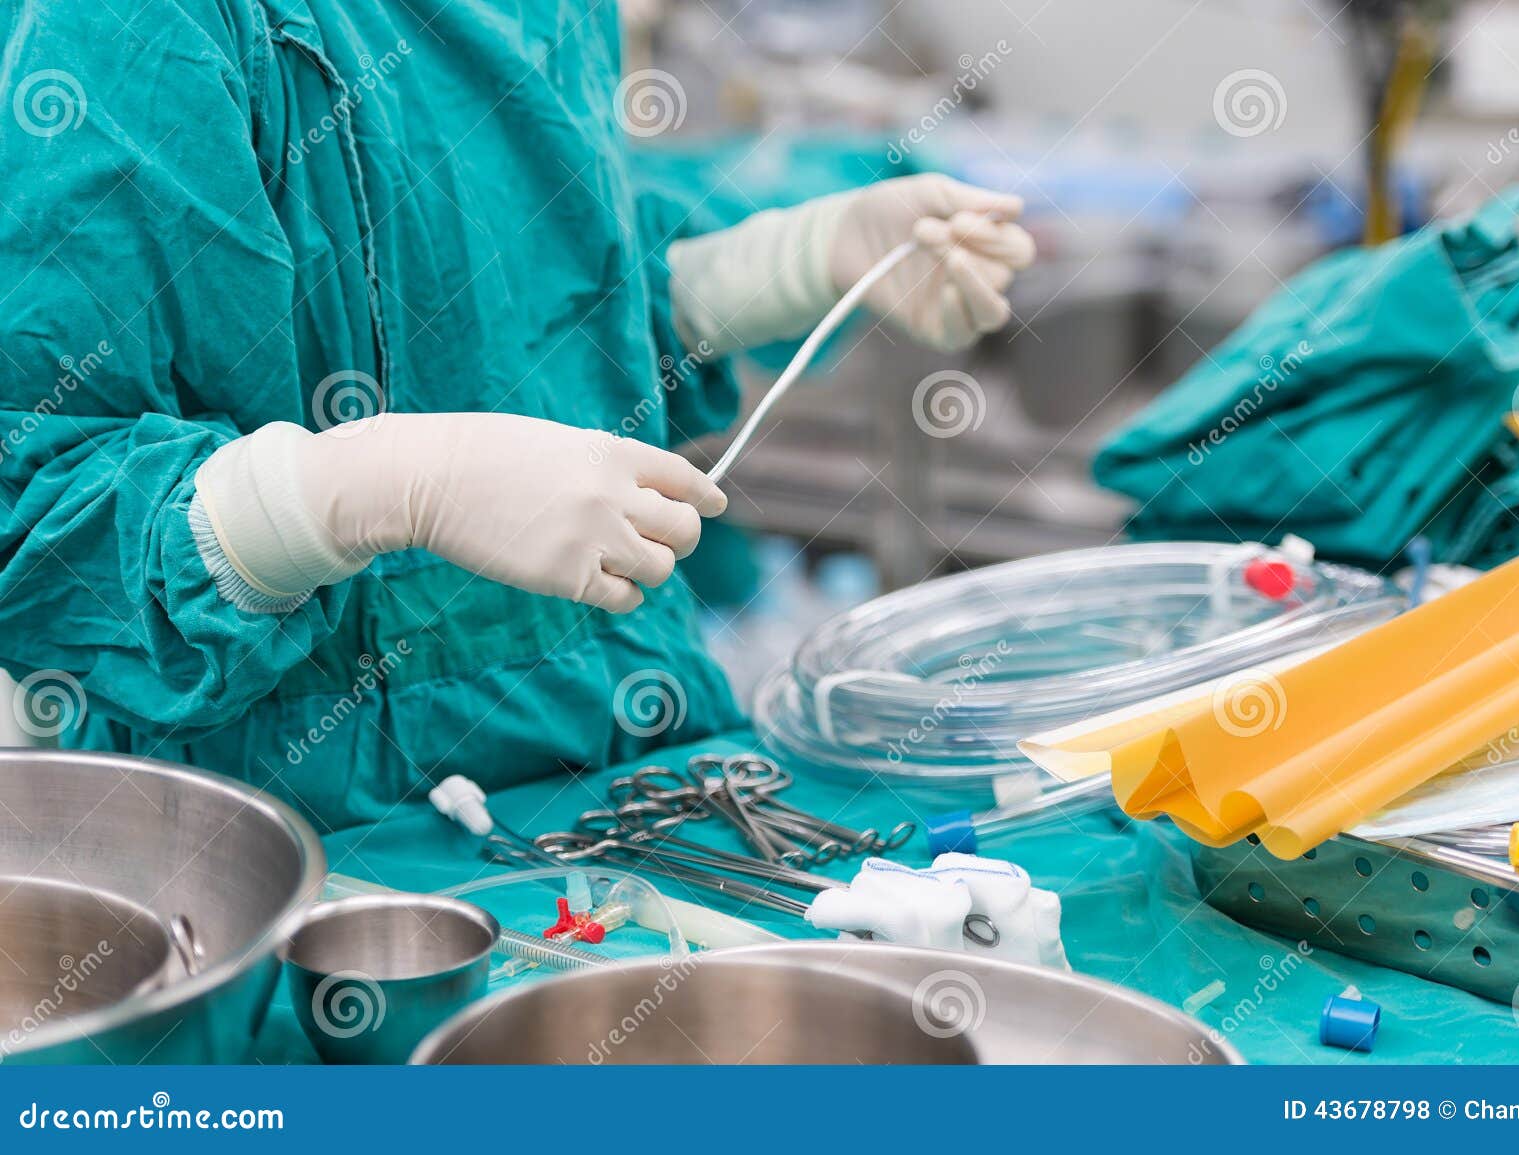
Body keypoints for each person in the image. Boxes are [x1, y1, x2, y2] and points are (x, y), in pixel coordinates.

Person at [0, 0, 1035, 832]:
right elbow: (50, 519)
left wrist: (793, 263)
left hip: (626, 760)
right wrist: (373, 487)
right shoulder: (121, 25)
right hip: (293, 837)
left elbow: (537, 331)